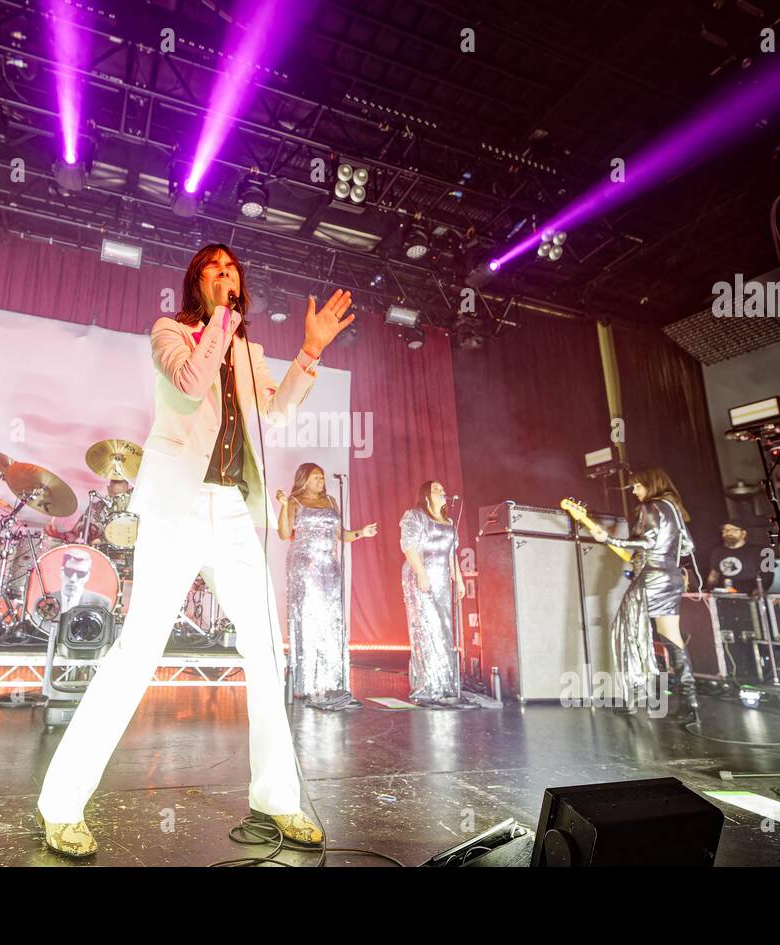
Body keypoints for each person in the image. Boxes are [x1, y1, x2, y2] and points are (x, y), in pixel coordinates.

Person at [34, 243, 354, 857]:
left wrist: (309, 352)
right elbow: (189, 384)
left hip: (234, 507)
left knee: (265, 650)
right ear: (196, 283)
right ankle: (62, 805)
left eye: (233, 270)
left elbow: (276, 415)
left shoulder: (248, 351)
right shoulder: (171, 333)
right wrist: (219, 323)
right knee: (137, 651)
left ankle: (277, 798)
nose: (225, 275)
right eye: (214, 269)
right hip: (178, 505)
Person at [590, 467, 699, 723]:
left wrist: (609, 540)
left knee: (627, 632)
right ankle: (689, 700)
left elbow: (647, 543)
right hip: (671, 576)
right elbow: (688, 546)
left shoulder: (649, 507)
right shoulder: (674, 509)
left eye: (637, 486)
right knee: (672, 638)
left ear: (650, 484)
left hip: (650, 576)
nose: (635, 492)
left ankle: (632, 698)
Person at [275, 463, 377, 710]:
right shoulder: (295, 501)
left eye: (322, 476)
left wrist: (361, 533)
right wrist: (284, 506)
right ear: (304, 480)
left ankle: (333, 682)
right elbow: (283, 533)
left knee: (331, 621)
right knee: (309, 620)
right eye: (316, 477)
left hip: (329, 566)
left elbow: (338, 534)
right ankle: (308, 685)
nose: (321, 480)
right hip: (304, 566)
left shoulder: (331, 501)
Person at [399, 480, 474, 709]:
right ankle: (428, 684)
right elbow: (409, 546)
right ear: (426, 495)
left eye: (443, 489)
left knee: (443, 628)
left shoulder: (450, 522)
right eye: (436, 489)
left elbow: (452, 553)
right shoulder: (415, 516)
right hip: (421, 576)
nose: (442, 492)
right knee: (427, 628)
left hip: (442, 580)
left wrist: (459, 580)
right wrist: (421, 574)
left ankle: (445, 683)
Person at [44, 547, 113, 614]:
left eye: (81, 574)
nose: (73, 579)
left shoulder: (102, 603)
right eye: (69, 572)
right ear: (61, 572)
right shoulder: (44, 601)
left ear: (87, 576)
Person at [706, 522, 770, 593]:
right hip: (726, 596)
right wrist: (709, 592)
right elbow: (713, 576)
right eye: (725, 530)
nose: (728, 533)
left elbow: (768, 575)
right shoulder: (717, 552)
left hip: (750, 596)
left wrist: (760, 590)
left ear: (743, 533)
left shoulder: (760, 551)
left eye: (733, 530)